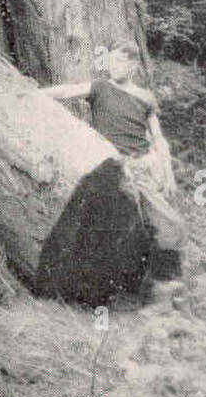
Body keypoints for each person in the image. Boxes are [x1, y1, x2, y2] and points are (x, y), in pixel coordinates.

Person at [40, 40, 185, 273]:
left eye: (120, 61)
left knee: (170, 226)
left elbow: (158, 139)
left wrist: (168, 174)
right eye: (111, 60)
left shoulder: (145, 97)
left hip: (142, 165)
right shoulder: (100, 87)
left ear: (133, 66)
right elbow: (68, 91)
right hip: (111, 166)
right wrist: (34, 93)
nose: (114, 66)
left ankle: (163, 291)